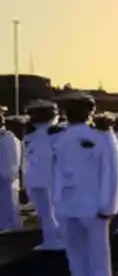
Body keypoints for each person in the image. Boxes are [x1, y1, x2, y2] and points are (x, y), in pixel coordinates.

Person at [52, 92, 118, 276]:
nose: (72, 113)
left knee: (97, 251)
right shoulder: (60, 136)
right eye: (69, 108)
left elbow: (112, 170)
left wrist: (109, 204)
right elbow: (55, 170)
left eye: (79, 108)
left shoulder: (101, 135)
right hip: (67, 202)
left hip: (93, 202)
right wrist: (56, 201)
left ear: (90, 111)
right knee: (75, 251)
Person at [23, 99, 64, 250]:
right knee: (45, 213)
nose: (30, 117)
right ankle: (50, 239)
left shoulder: (55, 133)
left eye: (33, 114)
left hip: (49, 180)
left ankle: (54, 240)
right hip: (38, 179)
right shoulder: (35, 135)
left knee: (50, 213)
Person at [0, 108, 20, 232]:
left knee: (8, 201)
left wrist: (7, 174)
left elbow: (12, 159)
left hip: (6, 176)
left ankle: (10, 226)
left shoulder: (7, 137)